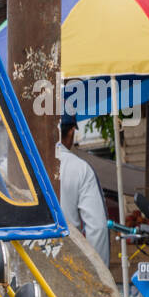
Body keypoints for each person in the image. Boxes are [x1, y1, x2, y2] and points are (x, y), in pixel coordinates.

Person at [56, 114, 110, 265]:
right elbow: (97, 228)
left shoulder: (15, 164)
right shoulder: (80, 169)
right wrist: (98, 276)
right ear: (72, 130)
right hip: (67, 265)